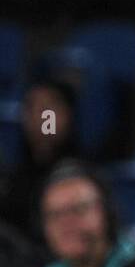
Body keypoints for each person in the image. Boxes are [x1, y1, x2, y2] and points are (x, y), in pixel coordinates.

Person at [0, 77, 80, 245]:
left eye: (46, 110)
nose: (40, 117)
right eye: (31, 108)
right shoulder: (13, 178)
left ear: (67, 114)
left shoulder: (81, 176)